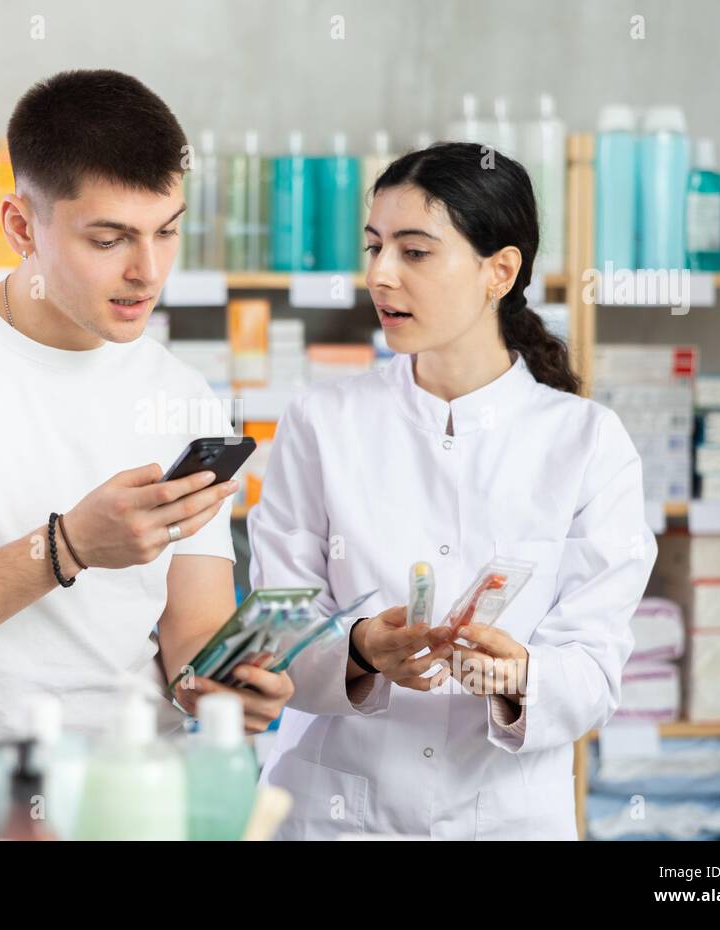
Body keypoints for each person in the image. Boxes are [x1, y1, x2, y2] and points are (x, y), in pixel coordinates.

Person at [0, 69, 293, 782]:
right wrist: (64, 547)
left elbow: (192, 634)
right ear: (20, 226)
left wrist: (227, 684)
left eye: (166, 232)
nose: (148, 271)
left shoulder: (181, 393)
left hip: (133, 800)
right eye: (109, 240)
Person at [247, 142, 657, 840]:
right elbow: (273, 624)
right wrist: (360, 648)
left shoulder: (587, 442)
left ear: (499, 270)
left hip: (504, 818)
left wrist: (521, 674)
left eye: (415, 251)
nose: (379, 274)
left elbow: (595, 665)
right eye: (375, 247)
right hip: (331, 814)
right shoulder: (321, 421)